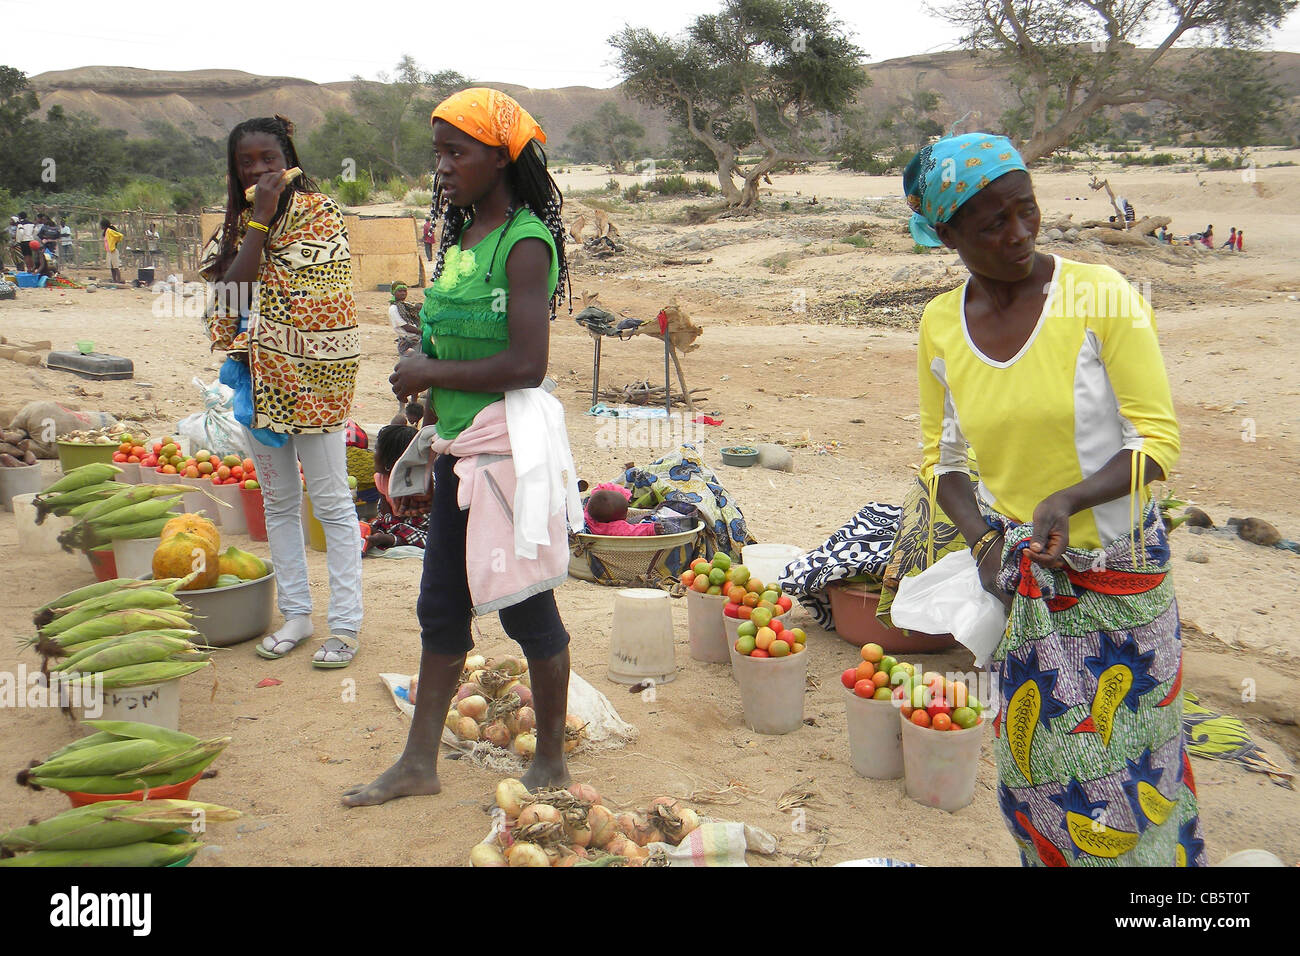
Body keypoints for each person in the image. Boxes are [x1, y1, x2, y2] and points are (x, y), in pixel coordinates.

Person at [905, 132, 1204, 867]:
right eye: (992, 224)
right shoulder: (941, 325)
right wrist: (981, 541)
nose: (1019, 234)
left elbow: (1156, 442)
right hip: (1028, 583)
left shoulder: (1100, 294)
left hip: (1121, 577)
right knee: (1044, 775)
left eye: (1026, 210)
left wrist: (1067, 499)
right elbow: (940, 464)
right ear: (946, 235)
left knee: (1138, 768)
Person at [344, 87, 577, 805]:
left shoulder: (524, 242)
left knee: (523, 607)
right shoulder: (457, 240)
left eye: (457, 152)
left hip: (503, 456)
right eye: (437, 153)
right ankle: (419, 762)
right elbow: (451, 344)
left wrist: (430, 370)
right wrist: (423, 371)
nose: (441, 167)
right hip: (455, 450)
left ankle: (553, 764)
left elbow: (526, 364)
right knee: (441, 605)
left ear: (500, 155)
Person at [199, 114, 364, 668]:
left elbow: (326, 305)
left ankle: (344, 626)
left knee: (335, 503)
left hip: (318, 381)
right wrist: (260, 223)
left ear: (288, 156)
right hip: (258, 386)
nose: (259, 171)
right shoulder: (237, 223)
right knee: (279, 503)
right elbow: (231, 298)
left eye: (268, 159)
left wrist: (266, 227)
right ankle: (296, 614)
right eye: (247, 163)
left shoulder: (322, 214)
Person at [363, 424, 429, 553]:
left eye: (376, 450)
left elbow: (423, 524)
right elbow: (385, 515)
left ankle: (390, 539)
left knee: (433, 538)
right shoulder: (382, 479)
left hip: (424, 526)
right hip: (399, 524)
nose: (372, 455)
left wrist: (390, 537)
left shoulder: (420, 484)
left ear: (391, 460)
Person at [584, 482, 656, 536]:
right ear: (614, 520)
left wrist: (626, 494)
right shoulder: (613, 528)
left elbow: (604, 486)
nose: (627, 513)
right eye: (625, 513)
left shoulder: (591, 507)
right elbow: (634, 531)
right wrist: (651, 529)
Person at [100, 219, 124, 283]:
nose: (100, 227)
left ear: (104, 225)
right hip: (109, 251)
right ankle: (114, 280)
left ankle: (118, 280)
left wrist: (115, 242)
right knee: (111, 267)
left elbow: (120, 235)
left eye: (101, 225)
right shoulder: (106, 231)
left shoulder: (110, 231)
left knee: (116, 267)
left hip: (113, 250)